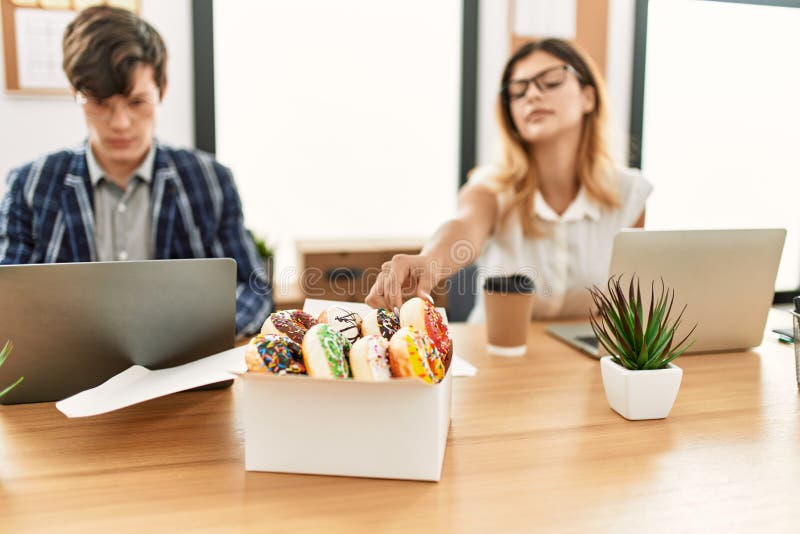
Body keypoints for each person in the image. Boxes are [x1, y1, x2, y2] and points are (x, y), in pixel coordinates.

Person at [0, 6, 271, 335]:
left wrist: (205, 333)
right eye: (100, 104)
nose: (120, 123)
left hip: (185, 371)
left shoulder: (210, 180)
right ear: (75, 92)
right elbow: (9, 301)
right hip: (73, 381)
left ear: (162, 90)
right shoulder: (30, 185)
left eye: (137, 102)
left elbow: (253, 288)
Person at [366, 38, 651, 320]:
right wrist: (430, 261)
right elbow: (464, 227)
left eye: (551, 81)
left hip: (578, 358)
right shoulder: (489, 188)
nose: (532, 95)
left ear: (588, 97)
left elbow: (629, 302)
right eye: (518, 91)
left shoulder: (628, 193)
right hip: (495, 355)